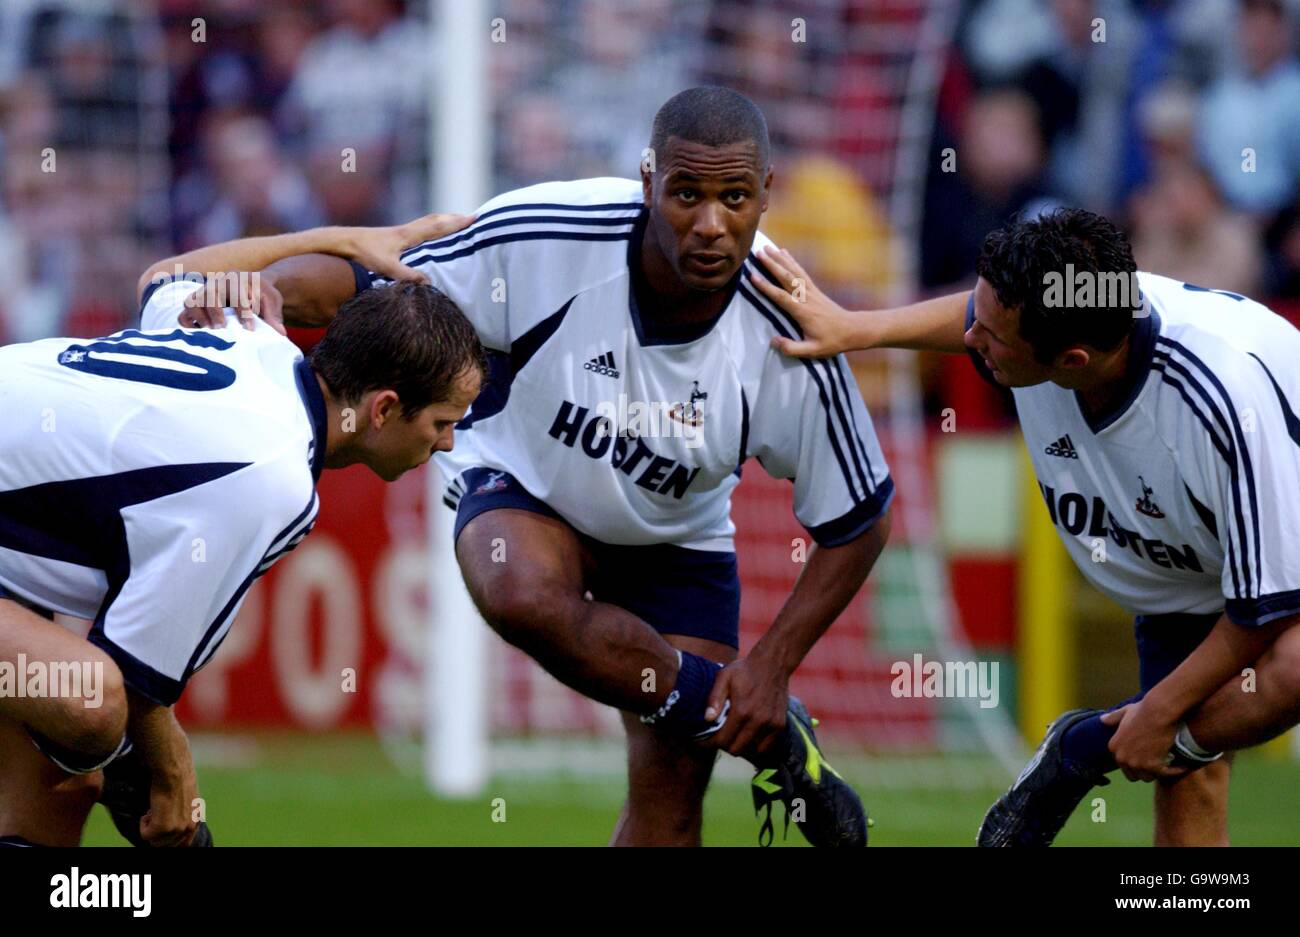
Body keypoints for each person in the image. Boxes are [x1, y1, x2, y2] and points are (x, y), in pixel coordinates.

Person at [245, 86, 893, 847]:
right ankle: (750, 729)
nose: (711, 224)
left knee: (671, 807)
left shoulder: (790, 329)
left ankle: (736, 715)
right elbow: (376, 281)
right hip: (525, 483)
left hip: (675, 538)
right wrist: (259, 290)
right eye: (686, 194)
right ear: (649, 183)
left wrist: (772, 667)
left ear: (766, 195)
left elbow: (860, 518)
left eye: (735, 197)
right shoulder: (553, 233)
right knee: (518, 588)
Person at [750, 207, 1300, 846]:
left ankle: (1082, 751)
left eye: (990, 336)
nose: (971, 337)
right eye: (975, 316)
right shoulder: (1071, 305)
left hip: (1271, 534)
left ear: (1070, 360)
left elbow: (1262, 616)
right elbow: (984, 317)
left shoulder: (1219, 401)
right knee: (1186, 774)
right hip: (1180, 558)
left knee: (1284, 674)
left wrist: (1158, 717)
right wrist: (853, 329)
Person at [0, 214, 483, 846]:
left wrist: (337, 241)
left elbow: (166, 276)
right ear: (384, 408)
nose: (448, 441)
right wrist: (177, 785)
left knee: (63, 775)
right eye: (444, 421)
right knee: (91, 703)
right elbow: (139, 681)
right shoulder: (269, 475)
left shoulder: (253, 334)